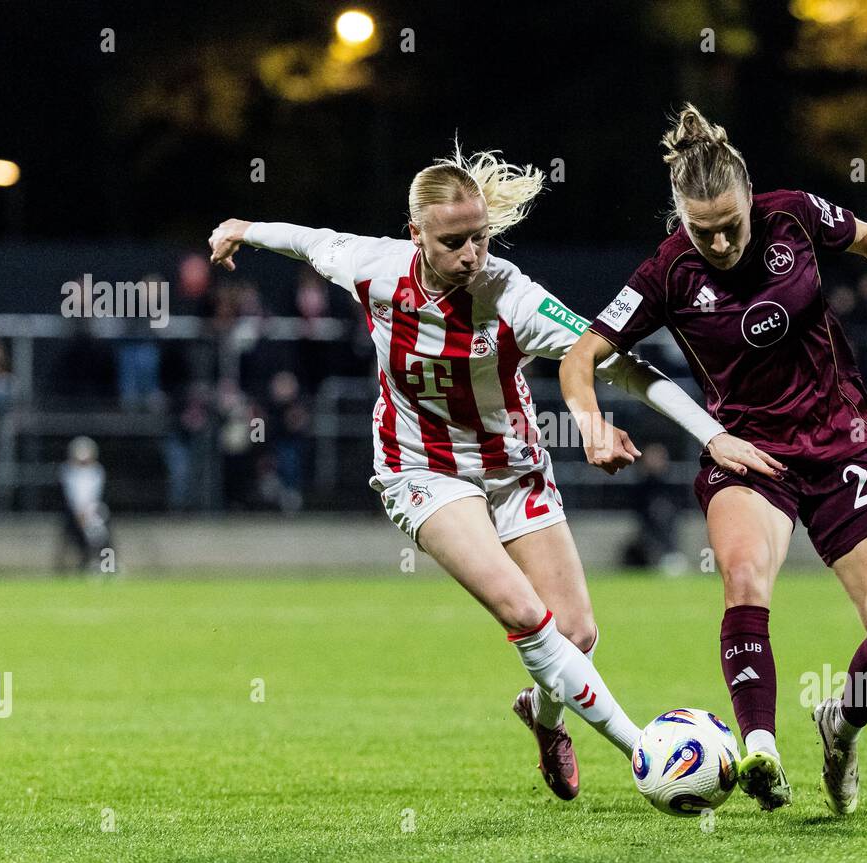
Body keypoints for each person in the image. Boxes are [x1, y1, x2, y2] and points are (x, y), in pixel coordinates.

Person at [206, 146, 726, 801]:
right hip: (419, 469)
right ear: (415, 234)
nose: (472, 254)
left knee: (579, 632)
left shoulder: (512, 296)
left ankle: (544, 719)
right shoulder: (377, 268)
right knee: (524, 611)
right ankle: (644, 750)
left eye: (480, 237)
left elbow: (618, 362)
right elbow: (311, 243)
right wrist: (244, 231)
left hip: (513, 469)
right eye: (454, 241)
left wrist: (714, 433)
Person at [560, 104, 867, 816]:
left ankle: (839, 723)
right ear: (680, 217)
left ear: (748, 196)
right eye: (701, 229)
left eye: (730, 223)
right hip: (746, 449)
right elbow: (582, 355)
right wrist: (589, 422)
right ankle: (759, 745)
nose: (719, 239)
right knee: (742, 575)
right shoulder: (667, 272)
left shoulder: (793, 216)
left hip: (837, 438)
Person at [58, 436, 112, 573]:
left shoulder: (97, 471)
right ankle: (79, 566)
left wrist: (89, 513)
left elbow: (96, 494)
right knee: (73, 541)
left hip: (94, 511)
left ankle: (108, 567)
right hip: (74, 513)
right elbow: (71, 494)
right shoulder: (67, 471)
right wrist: (78, 513)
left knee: (103, 539)